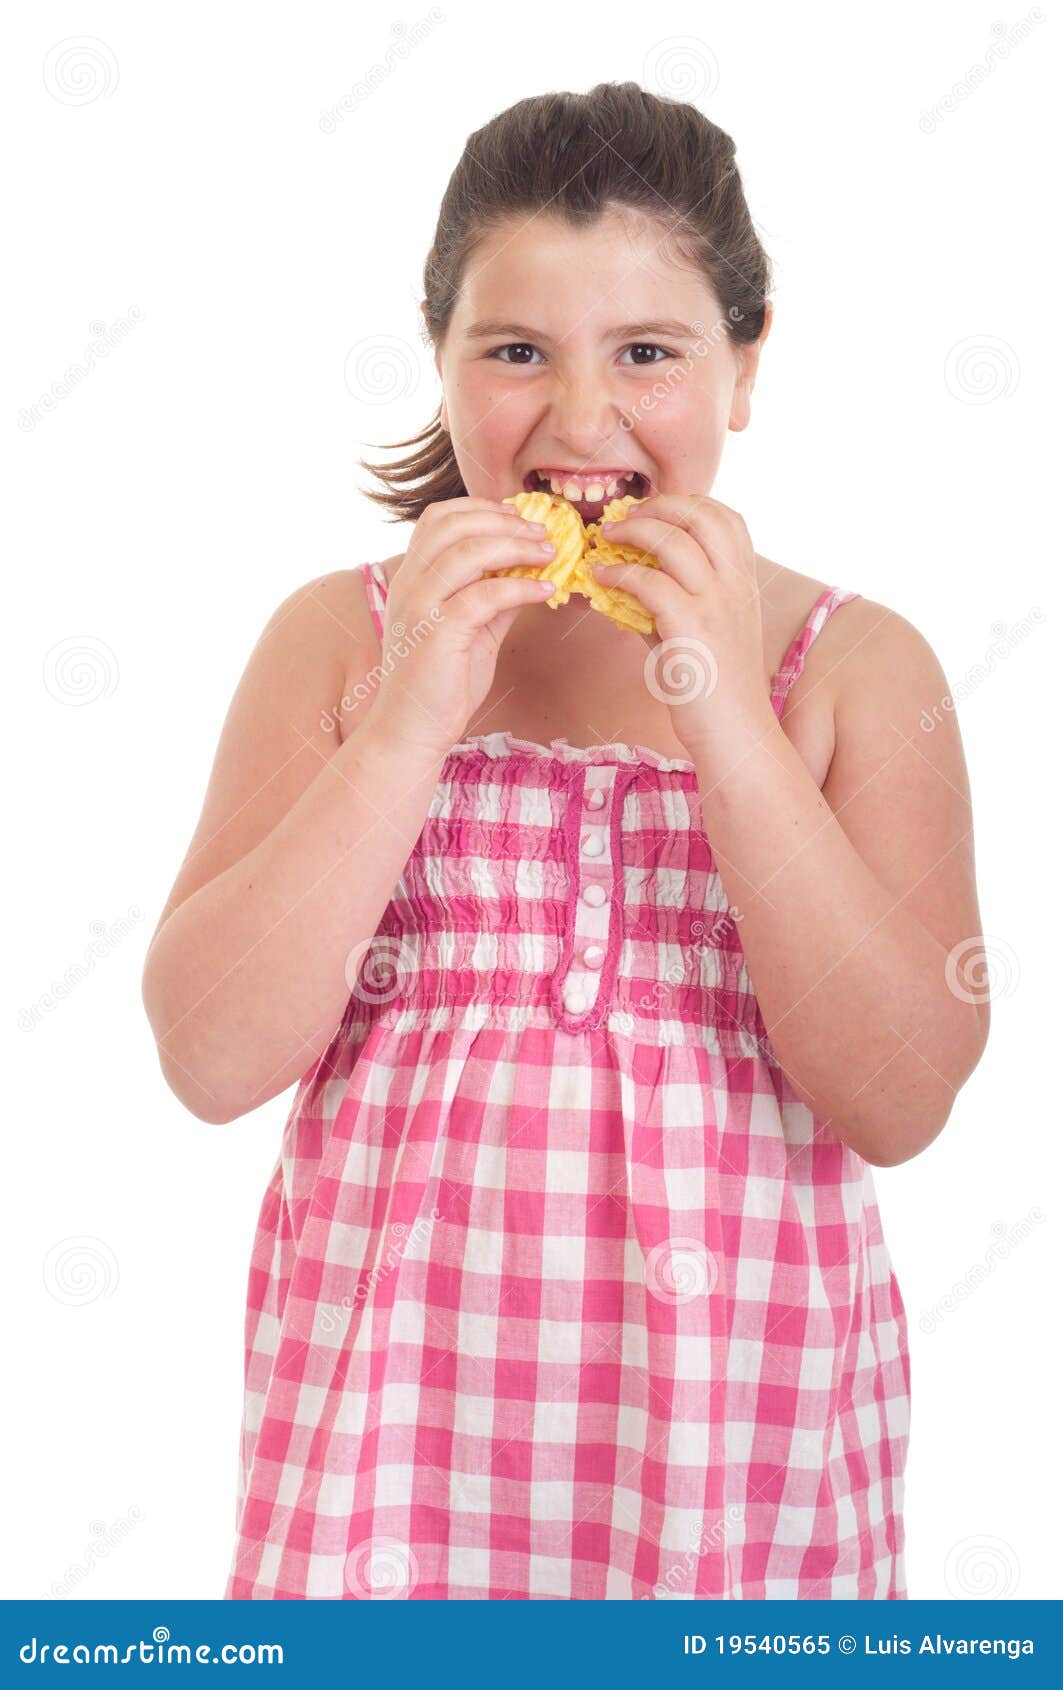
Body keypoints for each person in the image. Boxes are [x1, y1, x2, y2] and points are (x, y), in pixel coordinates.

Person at [142, 82, 990, 1600]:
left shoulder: (857, 672)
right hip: (383, 1484)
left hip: (736, 1484)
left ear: (746, 367)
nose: (581, 421)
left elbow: (903, 1090)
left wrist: (724, 708)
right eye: (516, 351)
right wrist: (410, 723)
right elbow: (208, 1055)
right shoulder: (341, 641)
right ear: (446, 363)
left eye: (648, 352)